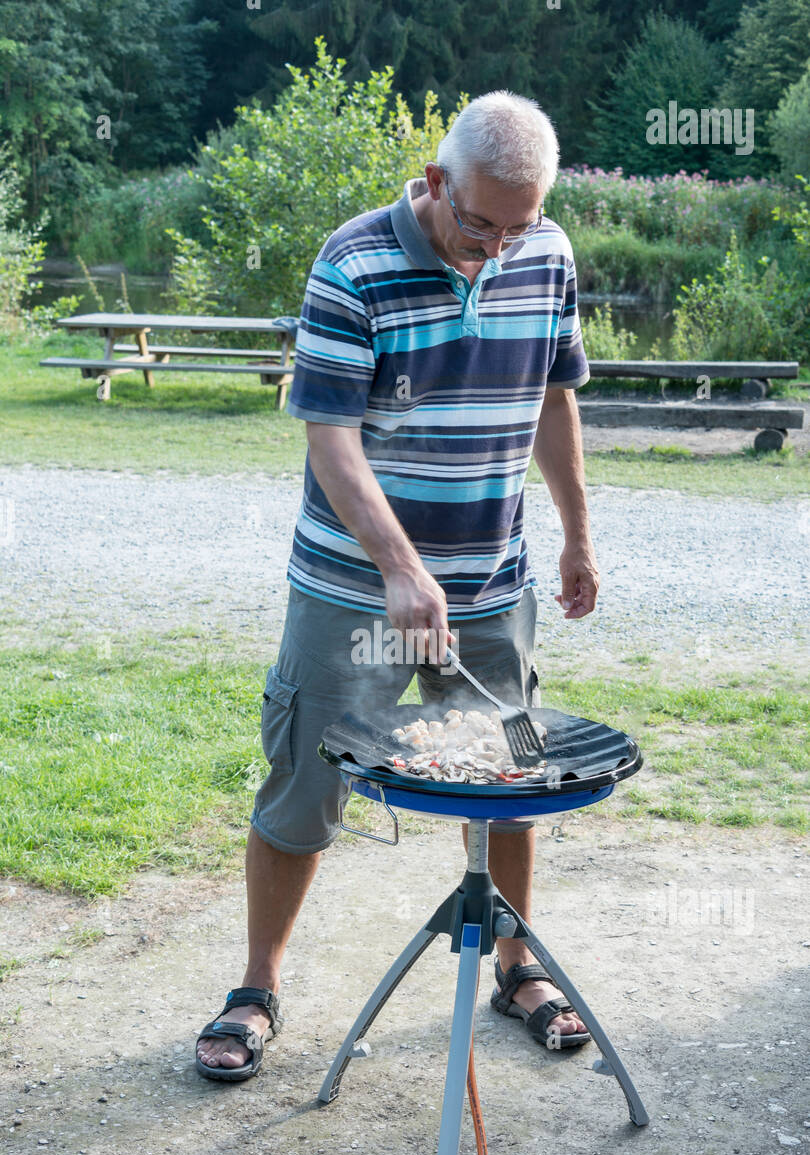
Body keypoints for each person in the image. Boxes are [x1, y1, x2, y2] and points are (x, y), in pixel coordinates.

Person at [195, 90, 600, 1081]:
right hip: (350, 591)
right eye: (481, 222)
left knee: (510, 776)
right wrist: (400, 567)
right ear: (435, 182)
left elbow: (553, 398)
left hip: (493, 584)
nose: (501, 247)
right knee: (305, 784)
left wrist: (577, 536)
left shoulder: (543, 253)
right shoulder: (354, 262)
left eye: (522, 222)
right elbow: (330, 435)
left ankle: (518, 966)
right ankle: (257, 986)